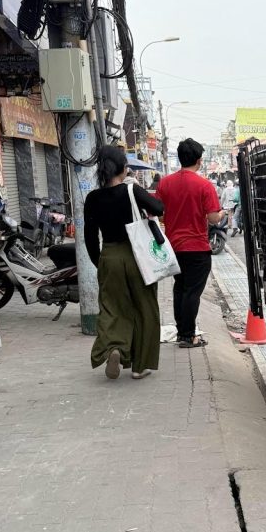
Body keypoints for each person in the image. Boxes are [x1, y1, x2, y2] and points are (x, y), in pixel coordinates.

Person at [85, 145, 165, 381]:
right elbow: (159, 208)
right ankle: (141, 366)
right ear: (122, 167)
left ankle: (115, 348)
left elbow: (89, 237)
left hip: (109, 256)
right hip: (138, 256)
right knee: (145, 308)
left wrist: (99, 263)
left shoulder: (93, 198)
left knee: (112, 308)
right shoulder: (132, 191)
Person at [157, 137, 222, 348]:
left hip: (173, 247)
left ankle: (182, 332)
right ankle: (187, 335)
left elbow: (157, 212)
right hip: (197, 249)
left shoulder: (165, 183)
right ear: (199, 160)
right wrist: (222, 213)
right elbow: (213, 219)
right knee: (192, 292)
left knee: (180, 288)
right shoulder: (204, 185)